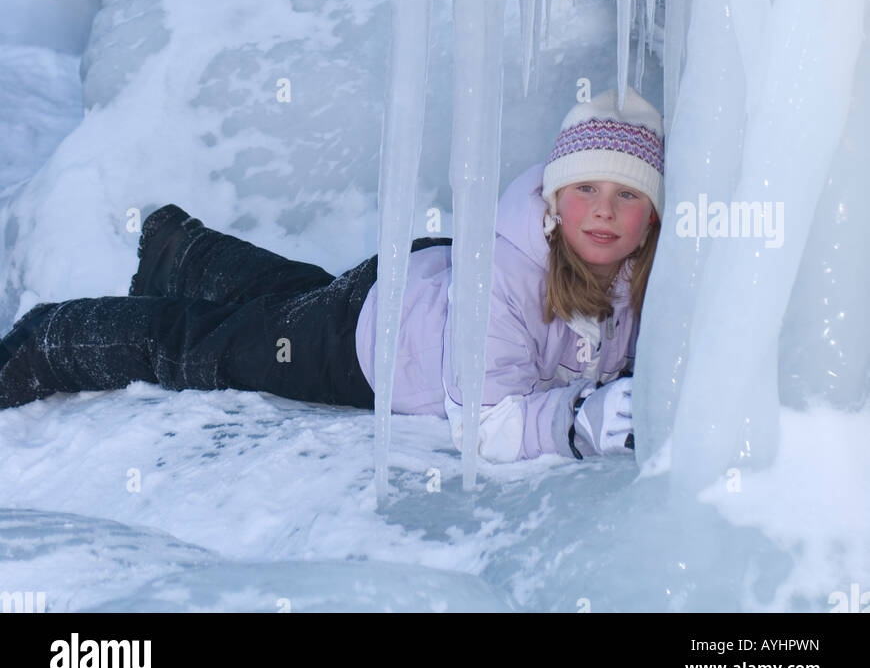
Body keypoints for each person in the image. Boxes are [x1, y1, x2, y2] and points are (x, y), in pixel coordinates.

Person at [0, 86, 663, 463]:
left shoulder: (640, 278)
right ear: (551, 200)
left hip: (408, 290)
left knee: (287, 305)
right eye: (586, 189)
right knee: (208, 346)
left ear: (652, 218)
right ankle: (48, 341)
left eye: (628, 194)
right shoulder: (511, 278)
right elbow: (483, 424)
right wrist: (575, 422)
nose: (604, 210)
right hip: (364, 346)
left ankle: (182, 251)